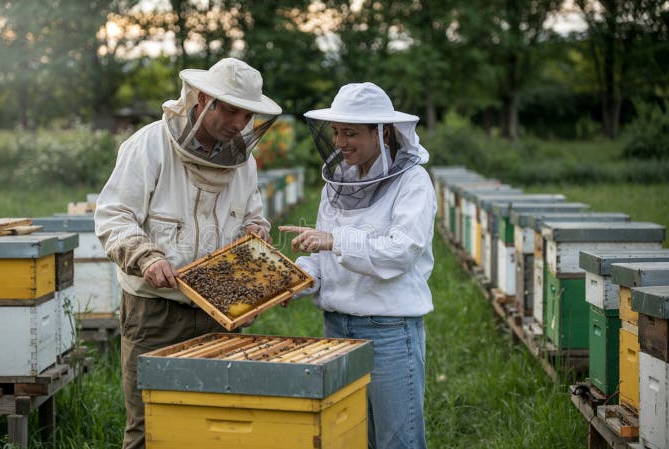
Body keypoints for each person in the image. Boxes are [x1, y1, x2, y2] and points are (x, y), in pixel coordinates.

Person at [95, 57, 281, 449]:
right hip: (157, 314)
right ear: (202, 101)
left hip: (224, 312)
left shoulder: (242, 162)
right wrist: (148, 257)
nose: (237, 123)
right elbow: (114, 216)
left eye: (246, 115)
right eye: (230, 110)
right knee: (150, 428)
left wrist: (253, 234)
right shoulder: (148, 145)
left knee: (216, 428)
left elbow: (254, 217)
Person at [280, 82, 435, 449]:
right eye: (335, 132)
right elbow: (322, 256)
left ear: (381, 132)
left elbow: (401, 251)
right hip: (336, 326)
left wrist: (335, 240)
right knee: (347, 438)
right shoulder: (337, 183)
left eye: (350, 133)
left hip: (389, 331)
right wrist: (301, 278)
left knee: (397, 440)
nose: (339, 142)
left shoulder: (413, 182)